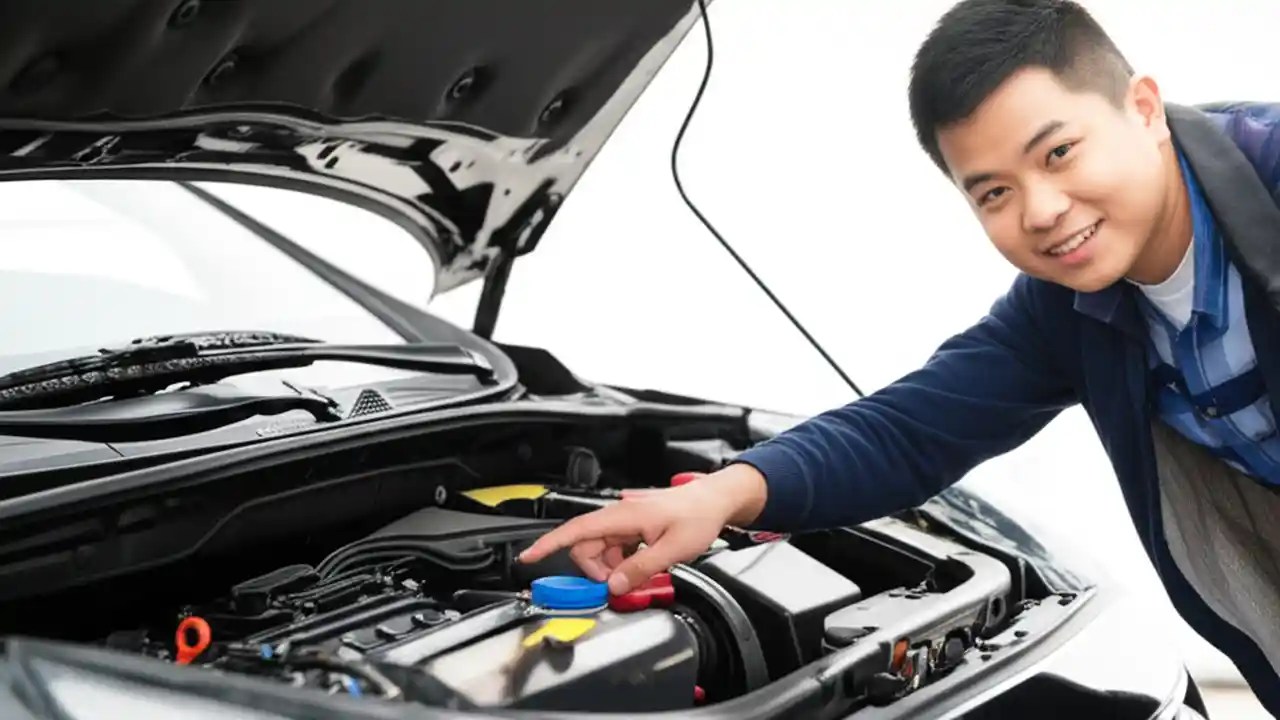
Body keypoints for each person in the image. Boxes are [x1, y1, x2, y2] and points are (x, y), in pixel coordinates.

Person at [520, 0, 1280, 709]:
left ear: (1142, 108)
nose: (1042, 211)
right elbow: (908, 428)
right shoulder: (1066, 308)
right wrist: (717, 496)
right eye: (992, 193)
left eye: (1058, 152)